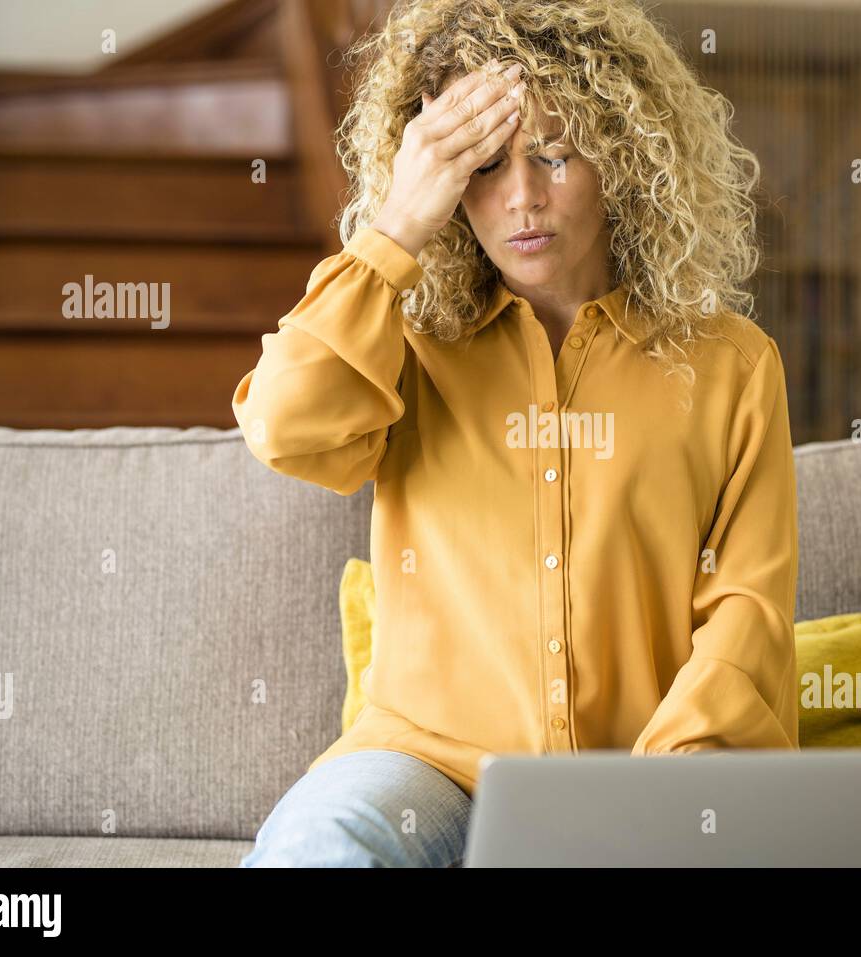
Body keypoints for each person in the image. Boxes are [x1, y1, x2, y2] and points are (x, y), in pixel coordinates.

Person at [234, 0, 798, 868]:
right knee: (323, 841)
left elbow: (745, 614)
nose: (522, 198)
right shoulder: (404, 341)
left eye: (555, 154)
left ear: (623, 156)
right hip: (425, 769)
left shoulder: (732, 366)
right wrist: (395, 231)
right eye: (484, 165)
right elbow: (283, 425)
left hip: (638, 780)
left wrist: (667, 799)